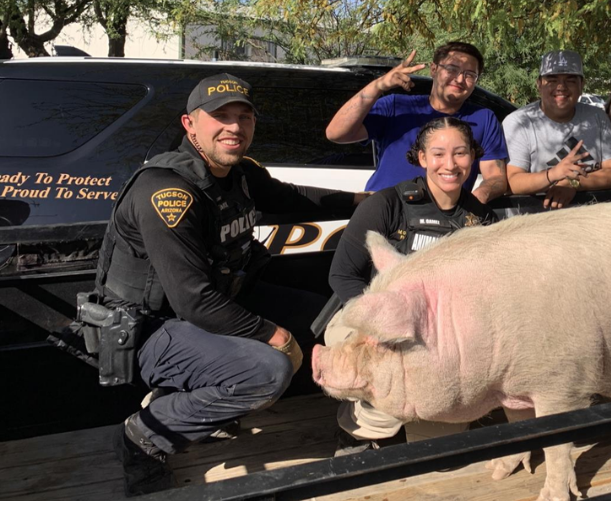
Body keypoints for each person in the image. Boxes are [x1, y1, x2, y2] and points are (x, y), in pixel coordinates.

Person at [93, 73, 368, 496]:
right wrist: (274, 335)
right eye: (220, 116)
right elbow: (191, 300)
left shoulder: (236, 172)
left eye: (244, 117)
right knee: (268, 369)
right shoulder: (168, 191)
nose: (235, 127)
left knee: (335, 322)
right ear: (190, 124)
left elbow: (293, 197)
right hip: (152, 328)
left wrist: (364, 203)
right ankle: (145, 435)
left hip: (220, 301)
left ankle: (361, 430)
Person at [327, 117, 498, 453]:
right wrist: (379, 325)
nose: (449, 165)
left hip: (441, 330)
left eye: (460, 154)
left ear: (473, 157)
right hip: (367, 317)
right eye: (438, 154)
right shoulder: (386, 204)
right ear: (421, 158)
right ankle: (361, 428)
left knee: (442, 449)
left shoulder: (482, 220)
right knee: (389, 363)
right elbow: (342, 275)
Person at [325, 42, 509, 204]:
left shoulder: (484, 118)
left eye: (469, 74)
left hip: (444, 222)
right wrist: (378, 85)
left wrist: (476, 200)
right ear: (434, 69)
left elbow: (495, 177)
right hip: (382, 211)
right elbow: (336, 133)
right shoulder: (396, 105)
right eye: (452, 69)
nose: (460, 79)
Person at [503, 50, 611, 209]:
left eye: (570, 80)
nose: (561, 87)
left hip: (592, 217)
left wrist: (572, 183)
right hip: (536, 218)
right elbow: (513, 183)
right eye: (552, 80)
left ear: (582, 86)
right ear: (539, 84)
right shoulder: (519, 122)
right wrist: (554, 174)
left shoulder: (598, 117)